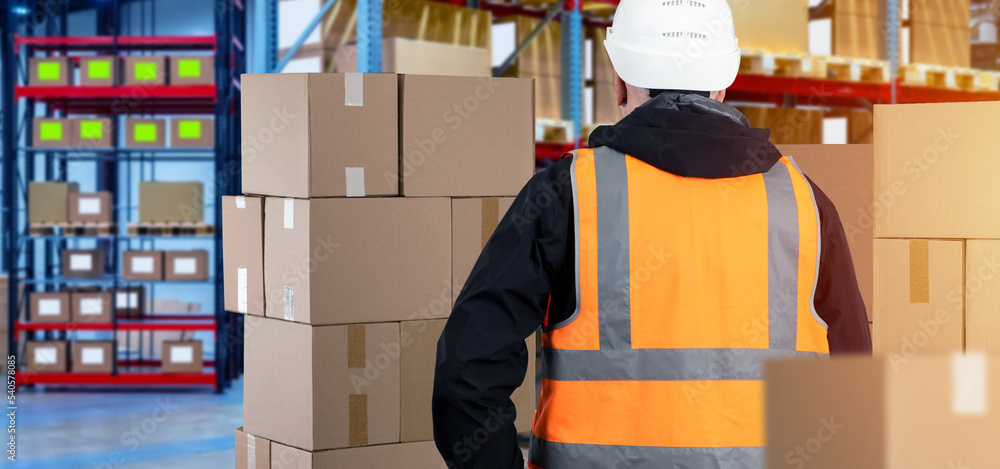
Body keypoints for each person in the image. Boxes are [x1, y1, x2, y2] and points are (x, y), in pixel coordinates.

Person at [432, 1, 872, 468]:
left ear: (619, 82)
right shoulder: (805, 203)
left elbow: (466, 376)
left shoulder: (568, 196)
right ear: (724, 84)